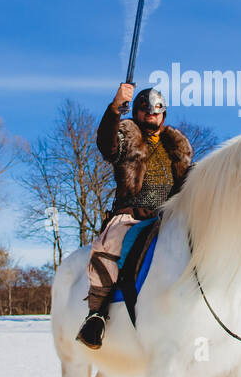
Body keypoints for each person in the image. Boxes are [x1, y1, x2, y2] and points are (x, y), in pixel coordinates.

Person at [76, 83, 193, 348]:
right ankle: (97, 314)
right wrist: (116, 106)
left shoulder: (177, 149)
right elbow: (106, 144)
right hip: (131, 215)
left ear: (164, 114)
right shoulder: (125, 139)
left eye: (156, 110)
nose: (151, 114)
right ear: (138, 113)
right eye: (145, 109)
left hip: (169, 217)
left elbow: (188, 183)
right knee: (110, 244)